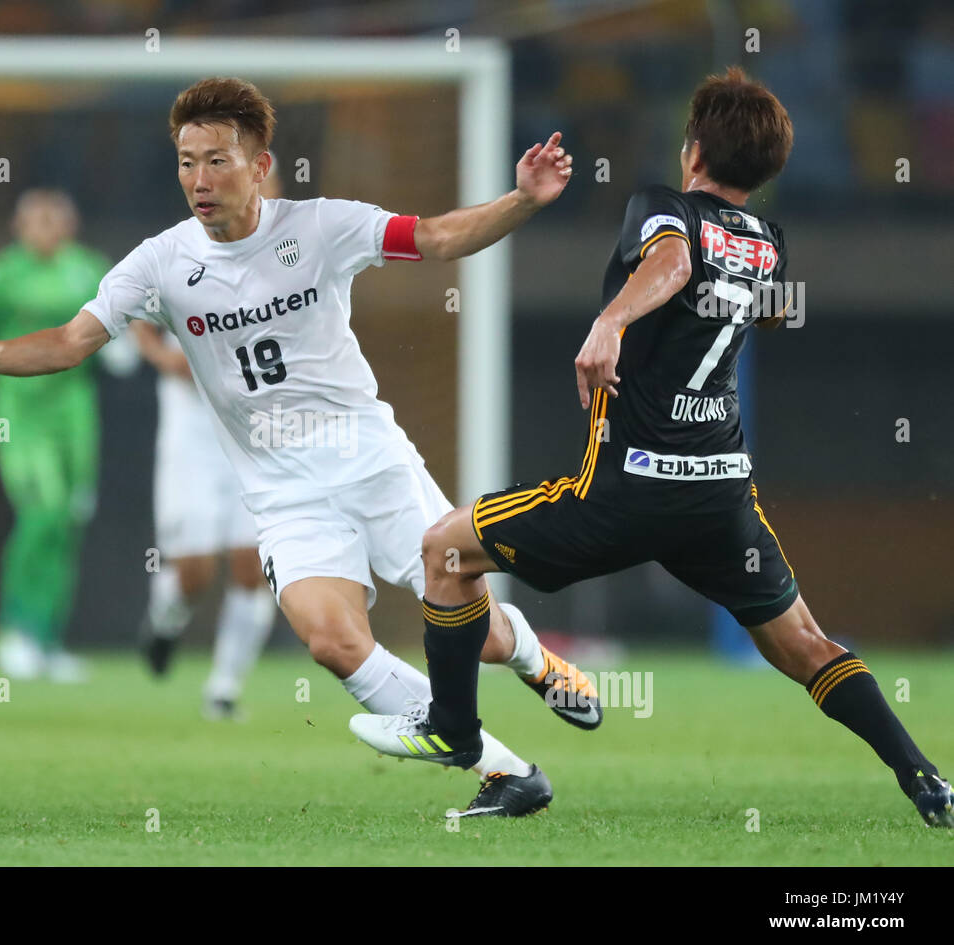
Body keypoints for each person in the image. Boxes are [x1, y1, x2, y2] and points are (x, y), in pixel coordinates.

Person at [0, 76, 595, 817]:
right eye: (185, 161)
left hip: (369, 460)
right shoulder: (160, 262)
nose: (198, 181)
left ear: (260, 165)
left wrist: (521, 199)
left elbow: (435, 237)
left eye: (216, 161)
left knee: (478, 632)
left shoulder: (323, 227)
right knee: (332, 641)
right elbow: (73, 341)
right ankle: (504, 769)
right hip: (281, 490)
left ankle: (534, 657)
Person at [351, 67, 954, 828]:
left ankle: (453, 729)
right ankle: (926, 779)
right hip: (720, 499)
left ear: (693, 148)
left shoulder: (662, 207)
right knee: (805, 644)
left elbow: (671, 261)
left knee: (444, 549)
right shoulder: (769, 243)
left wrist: (611, 321)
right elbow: (765, 313)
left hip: (625, 492)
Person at [0, 189, 115, 682]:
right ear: (19, 225)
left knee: (68, 520)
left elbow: (121, 324)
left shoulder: (90, 268)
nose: (48, 227)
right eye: (38, 219)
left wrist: (129, 341)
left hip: (75, 412)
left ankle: (48, 639)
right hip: (20, 409)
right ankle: (16, 629)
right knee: (42, 511)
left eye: (57, 218)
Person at [131, 158, 285, 721]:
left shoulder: (293, 260)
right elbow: (136, 315)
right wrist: (162, 358)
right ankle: (166, 621)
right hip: (193, 436)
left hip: (254, 435)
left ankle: (223, 690)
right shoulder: (179, 252)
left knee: (252, 562)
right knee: (193, 571)